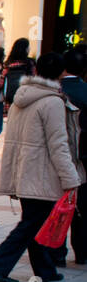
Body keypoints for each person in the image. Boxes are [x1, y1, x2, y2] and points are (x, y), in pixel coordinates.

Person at [0, 51, 85, 282]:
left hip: (24, 170)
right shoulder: (52, 102)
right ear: (61, 72)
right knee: (31, 224)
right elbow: (59, 144)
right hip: (41, 175)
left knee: (35, 222)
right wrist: (71, 179)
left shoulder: (23, 96)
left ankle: (44, 270)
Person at [56, 47, 87, 265]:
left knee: (58, 207)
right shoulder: (85, 91)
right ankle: (82, 252)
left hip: (59, 156)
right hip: (83, 160)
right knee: (82, 208)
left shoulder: (55, 93)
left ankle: (57, 252)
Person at [0, 37, 35, 115]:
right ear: (26, 49)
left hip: (9, 104)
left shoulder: (7, 64)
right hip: (26, 103)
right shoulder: (29, 63)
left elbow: (1, 83)